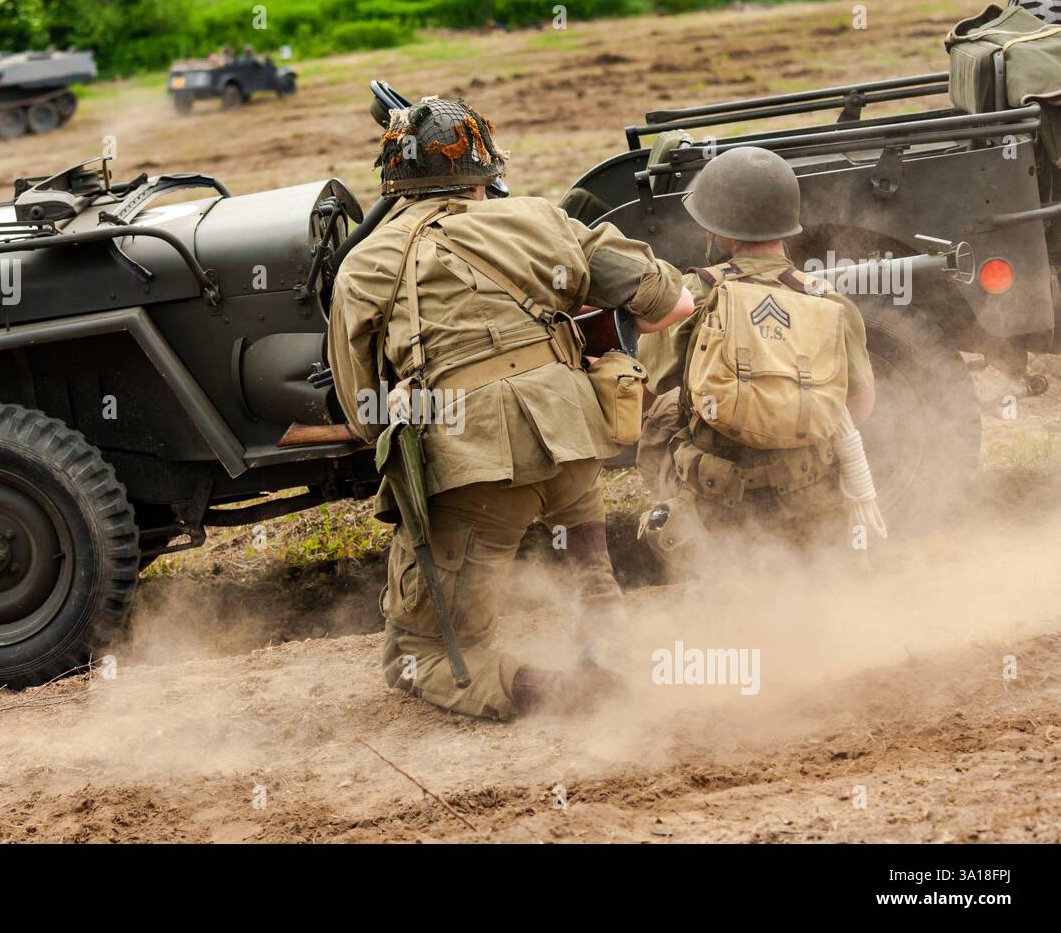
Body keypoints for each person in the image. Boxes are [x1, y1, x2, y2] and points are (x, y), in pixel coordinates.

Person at [327, 97, 693, 720]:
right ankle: (612, 650)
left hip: (477, 464)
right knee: (591, 573)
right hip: (575, 439)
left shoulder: (366, 263)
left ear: (393, 180)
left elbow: (363, 413)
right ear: (485, 170)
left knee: (421, 657)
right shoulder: (543, 220)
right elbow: (672, 304)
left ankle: (572, 696)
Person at [635, 146, 876, 564]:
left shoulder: (690, 298)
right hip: (809, 493)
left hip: (715, 500)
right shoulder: (831, 303)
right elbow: (858, 405)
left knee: (727, 607)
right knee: (817, 596)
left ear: (722, 233)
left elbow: (650, 397)